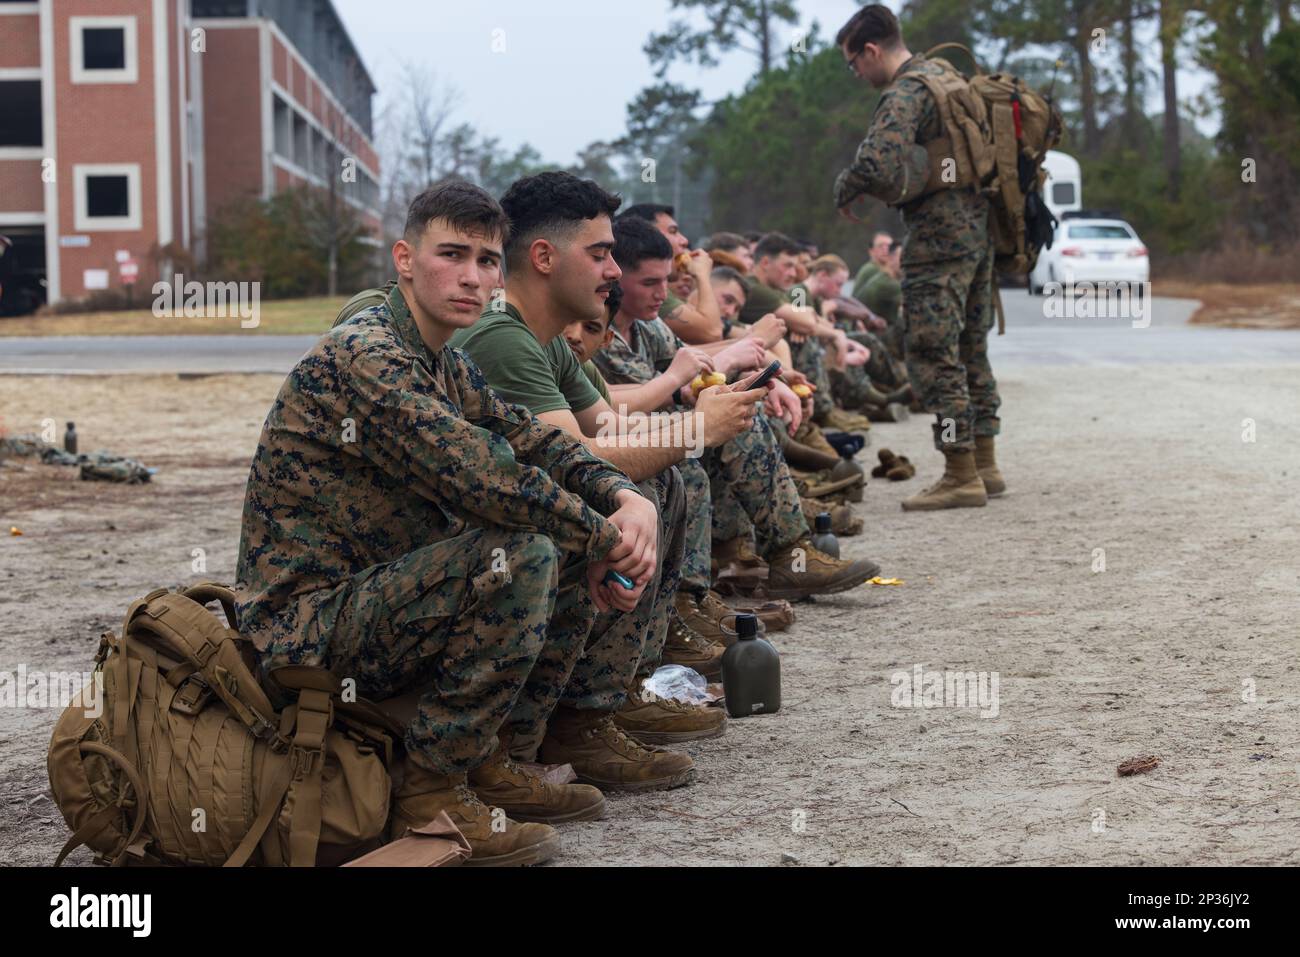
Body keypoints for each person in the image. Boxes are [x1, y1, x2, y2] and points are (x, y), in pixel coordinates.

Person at [235, 181, 659, 866]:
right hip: (303, 625)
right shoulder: (366, 356)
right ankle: (431, 792)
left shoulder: (444, 360)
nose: (472, 276)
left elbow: (530, 440)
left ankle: (495, 759)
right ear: (405, 258)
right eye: (451, 254)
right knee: (525, 550)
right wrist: (607, 536)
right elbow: (485, 478)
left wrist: (620, 494)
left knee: (555, 537)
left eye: (488, 260)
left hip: (377, 597)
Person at [450, 172, 769, 783]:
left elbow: (609, 429)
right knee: (623, 498)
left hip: (490, 528)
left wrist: (699, 417)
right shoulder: (502, 337)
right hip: (468, 548)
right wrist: (695, 429)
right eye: (599, 253)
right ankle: (554, 728)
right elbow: (573, 459)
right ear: (544, 257)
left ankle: (601, 702)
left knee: (665, 481)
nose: (614, 270)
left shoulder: (540, 338)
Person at [593, 216, 878, 611]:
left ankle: (778, 552)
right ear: (618, 277)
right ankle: (693, 598)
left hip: (642, 429)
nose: (664, 294)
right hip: (617, 441)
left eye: (665, 281)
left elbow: (698, 368)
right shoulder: (595, 331)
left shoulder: (647, 327)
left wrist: (761, 376)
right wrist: (744, 351)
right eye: (650, 283)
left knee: (734, 414)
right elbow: (670, 386)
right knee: (695, 442)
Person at [834, 3, 1003, 509]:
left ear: (870, 49)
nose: (856, 73)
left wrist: (849, 186)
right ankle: (987, 465)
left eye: (853, 63)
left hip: (937, 241)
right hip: (979, 233)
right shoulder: (949, 78)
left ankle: (959, 472)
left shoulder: (907, 90)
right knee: (971, 348)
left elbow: (877, 161)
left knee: (933, 354)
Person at [617, 203, 722, 344]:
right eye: (673, 231)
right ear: (647, 235)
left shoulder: (649, 316)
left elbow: (687, 355)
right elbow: (711, 333)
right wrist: (702, 276)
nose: (684, 241)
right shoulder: (642, 295)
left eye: (665, 280)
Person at [851, 230, 894, 299]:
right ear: (871, 251)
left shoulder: (893, 271)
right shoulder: (870, 270)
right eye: (880, 246)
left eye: (889, 246)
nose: (885, 249)